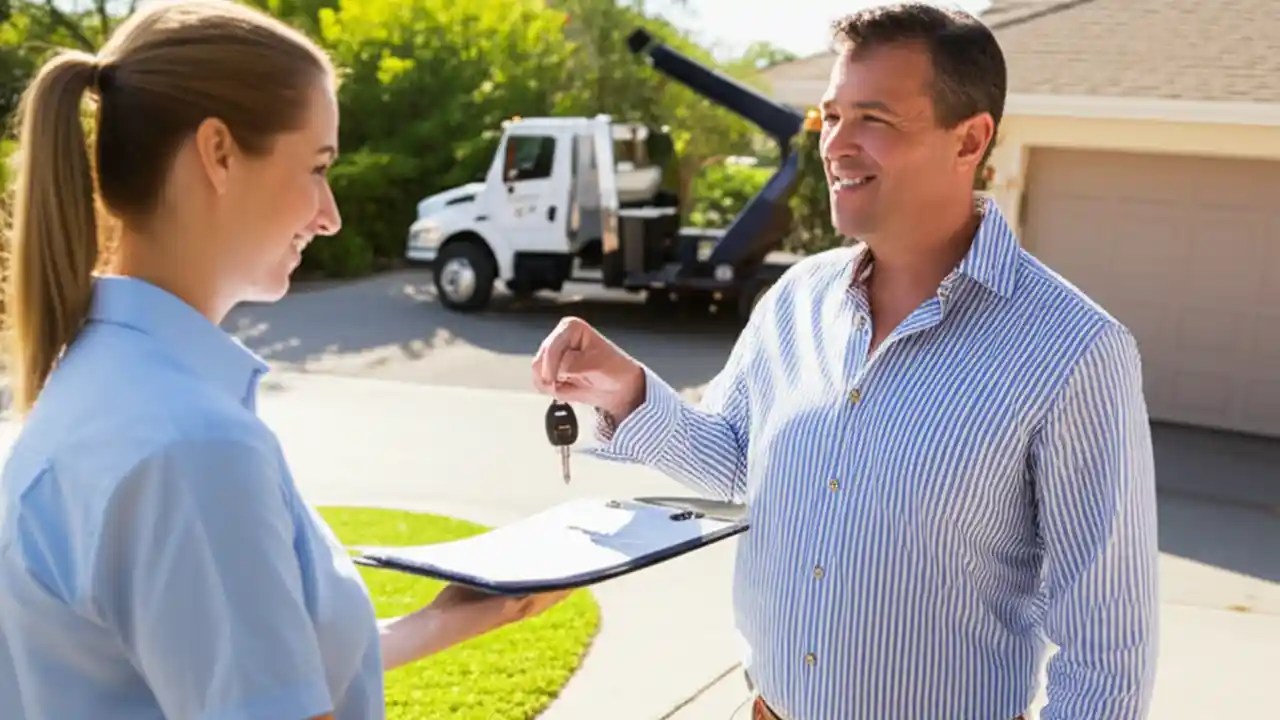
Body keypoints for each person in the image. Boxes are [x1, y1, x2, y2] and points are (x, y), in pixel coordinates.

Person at [533, 4, 1158, 720]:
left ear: (970, 139)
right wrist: (625, 389)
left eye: (873, 119)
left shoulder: (1076, 352)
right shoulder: (795, 299)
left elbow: (1107, 657)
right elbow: (741, 465)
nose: (835, 144)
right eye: (831, 116)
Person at [0, 2, 566, 719]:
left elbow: (225, 664)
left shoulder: (102, 382)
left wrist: (446, 619)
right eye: (318, 167)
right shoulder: (191, 445)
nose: (330, 215)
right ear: (219, 153)